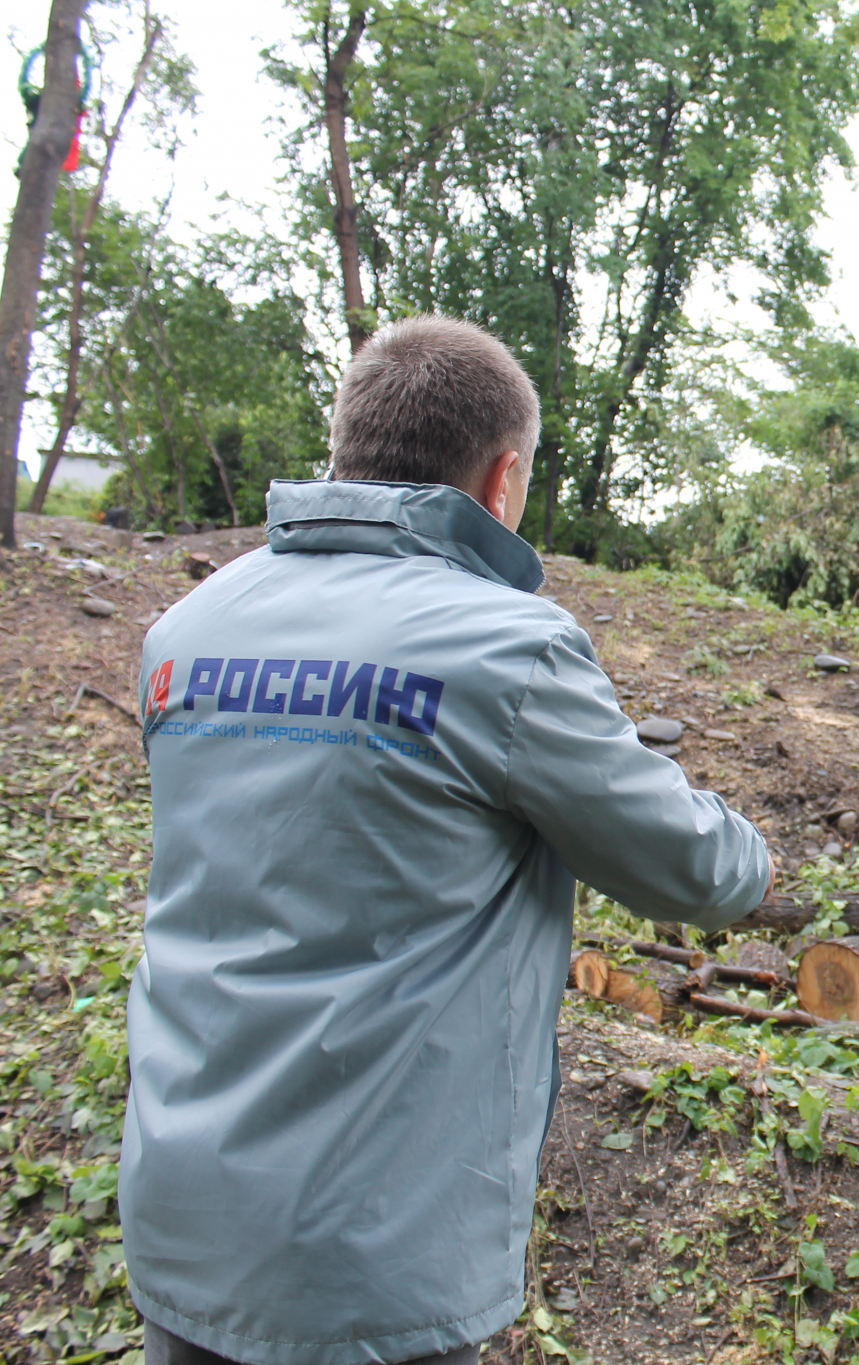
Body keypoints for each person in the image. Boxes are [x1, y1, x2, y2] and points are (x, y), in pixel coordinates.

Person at [121, 315, 772, 1365]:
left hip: (181, 1220)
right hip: (373, 1258)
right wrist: (754, 852)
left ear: (347, 448)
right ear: (501, 478)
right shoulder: (501, 644)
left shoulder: (187, 632)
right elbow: (688, 868)